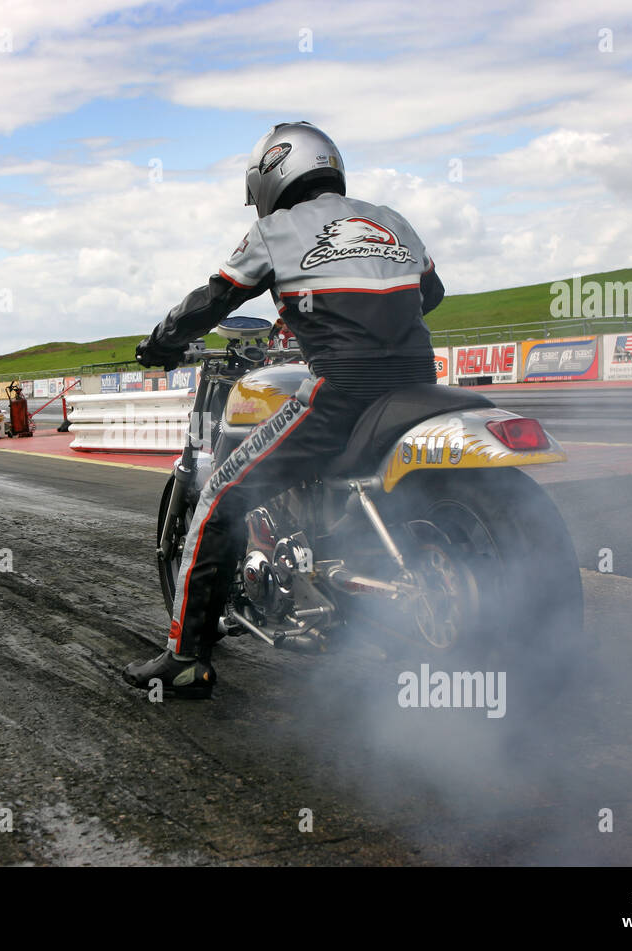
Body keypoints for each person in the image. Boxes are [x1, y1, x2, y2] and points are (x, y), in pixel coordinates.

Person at [123, 121, 444, 698]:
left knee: (221, 496)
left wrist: (161, 341)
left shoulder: (274, 230)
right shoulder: (391, 219)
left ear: (273, 175)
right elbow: (432, 294)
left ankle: (187, 659)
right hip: (421, 388)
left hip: (343, 392)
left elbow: (213, 300)